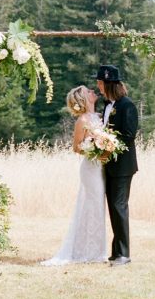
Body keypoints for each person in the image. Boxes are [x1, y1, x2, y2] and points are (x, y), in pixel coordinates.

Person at [41, 85, 107, 265]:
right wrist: (94, 148)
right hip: (90, 169)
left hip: (101, 167)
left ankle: (95, 250)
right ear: (84, 99)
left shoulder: (98, 117)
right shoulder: (82, 120)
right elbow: (76, 147)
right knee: (92, 207)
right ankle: (88, 253)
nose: (92, 91)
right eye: (88, 91)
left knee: (97, 207)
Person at [96, 64, 138, 265]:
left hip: (123, 166)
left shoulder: (127, 105)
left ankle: (124, 253)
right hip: (108, 165)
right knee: (113, 207)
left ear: (109, 84)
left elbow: (129, 135)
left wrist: (109, 146)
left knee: (119, 206)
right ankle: (116, 251)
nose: (98, 86)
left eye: (100, 83)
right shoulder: (106, 105)